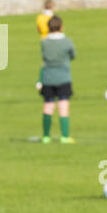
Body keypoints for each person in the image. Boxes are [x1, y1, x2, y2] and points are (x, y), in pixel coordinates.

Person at [38, 15, 74, 144]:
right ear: (61, 27)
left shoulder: (44, 42)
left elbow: (44, 58)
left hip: (48, 77)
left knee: (48, 106)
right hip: (63, 77)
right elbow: (72, 55)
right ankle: (64, 136)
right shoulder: (67, 41)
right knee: (63, 106)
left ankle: (46, 136)